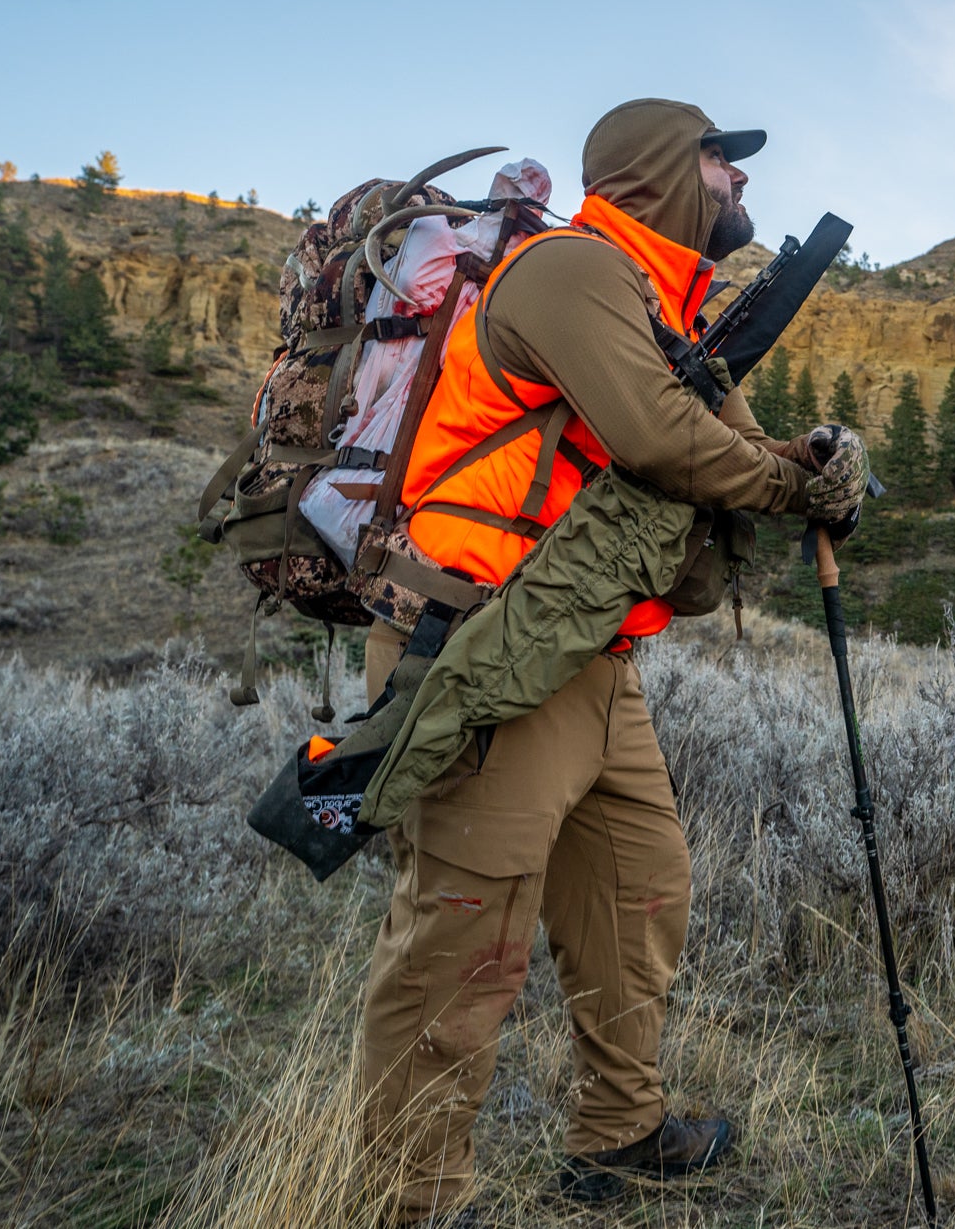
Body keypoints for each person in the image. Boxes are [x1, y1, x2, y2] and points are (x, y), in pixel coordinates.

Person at [357, 98, 868, 1223]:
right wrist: (785, 487)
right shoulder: (568, 273)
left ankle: (618, 1135)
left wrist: (813, 460)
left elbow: (731, 447)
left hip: (590, 655)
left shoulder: (660, 309)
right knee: (461, 942)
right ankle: (411, 1201)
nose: (738, 181)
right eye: (718, 161)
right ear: (655, 169)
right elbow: (655, 439)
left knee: (639, 895)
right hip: (484, 649)